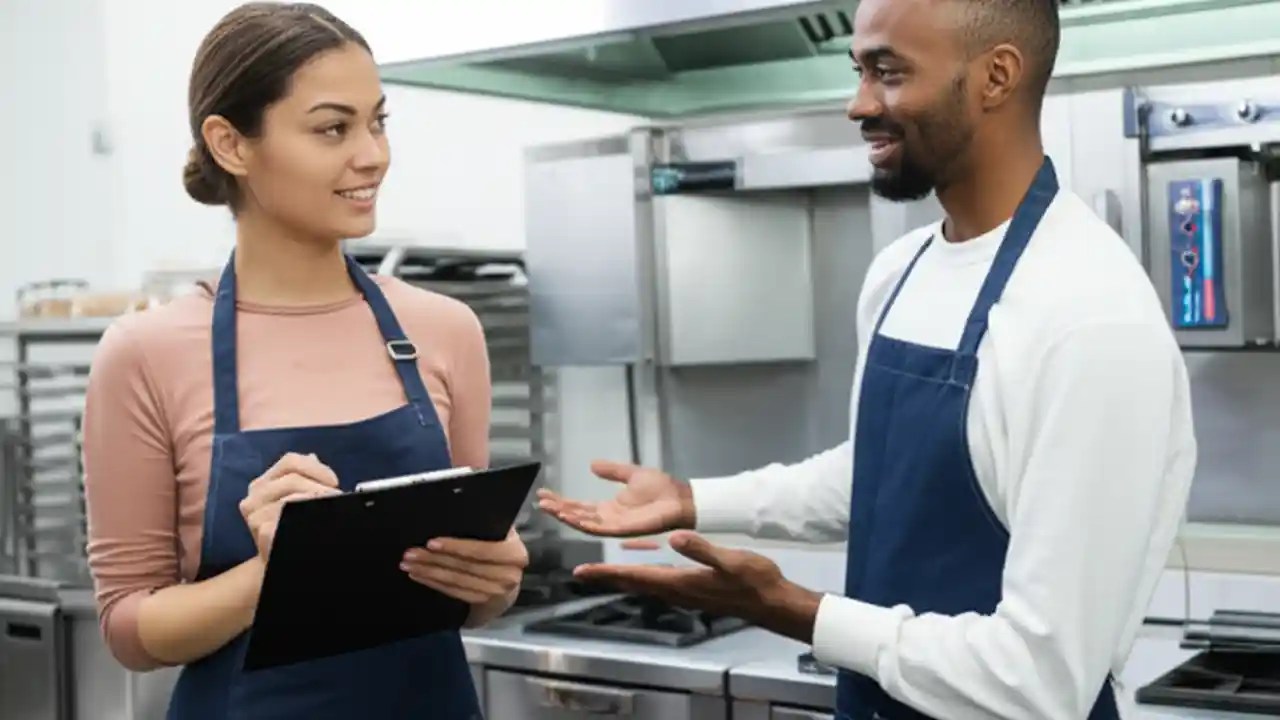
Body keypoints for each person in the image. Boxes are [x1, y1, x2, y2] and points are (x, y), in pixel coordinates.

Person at [538, 1, 1196, 718]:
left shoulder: (1090, 317)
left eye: (887, 72)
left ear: (996, 76)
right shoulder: (900, 270)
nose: (858, 105)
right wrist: (695, 500)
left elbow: (1039, 678)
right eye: (859, 71)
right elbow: (883, 476)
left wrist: (796, 610)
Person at [81, 4, 525, 718]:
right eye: (332, 128)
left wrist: (494, 583)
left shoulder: (444, 331)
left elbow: (471, 596)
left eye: (378, 122)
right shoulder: (144, 355)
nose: (372, 154)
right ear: (231, 144)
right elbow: (129, 627)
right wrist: (275, 574)